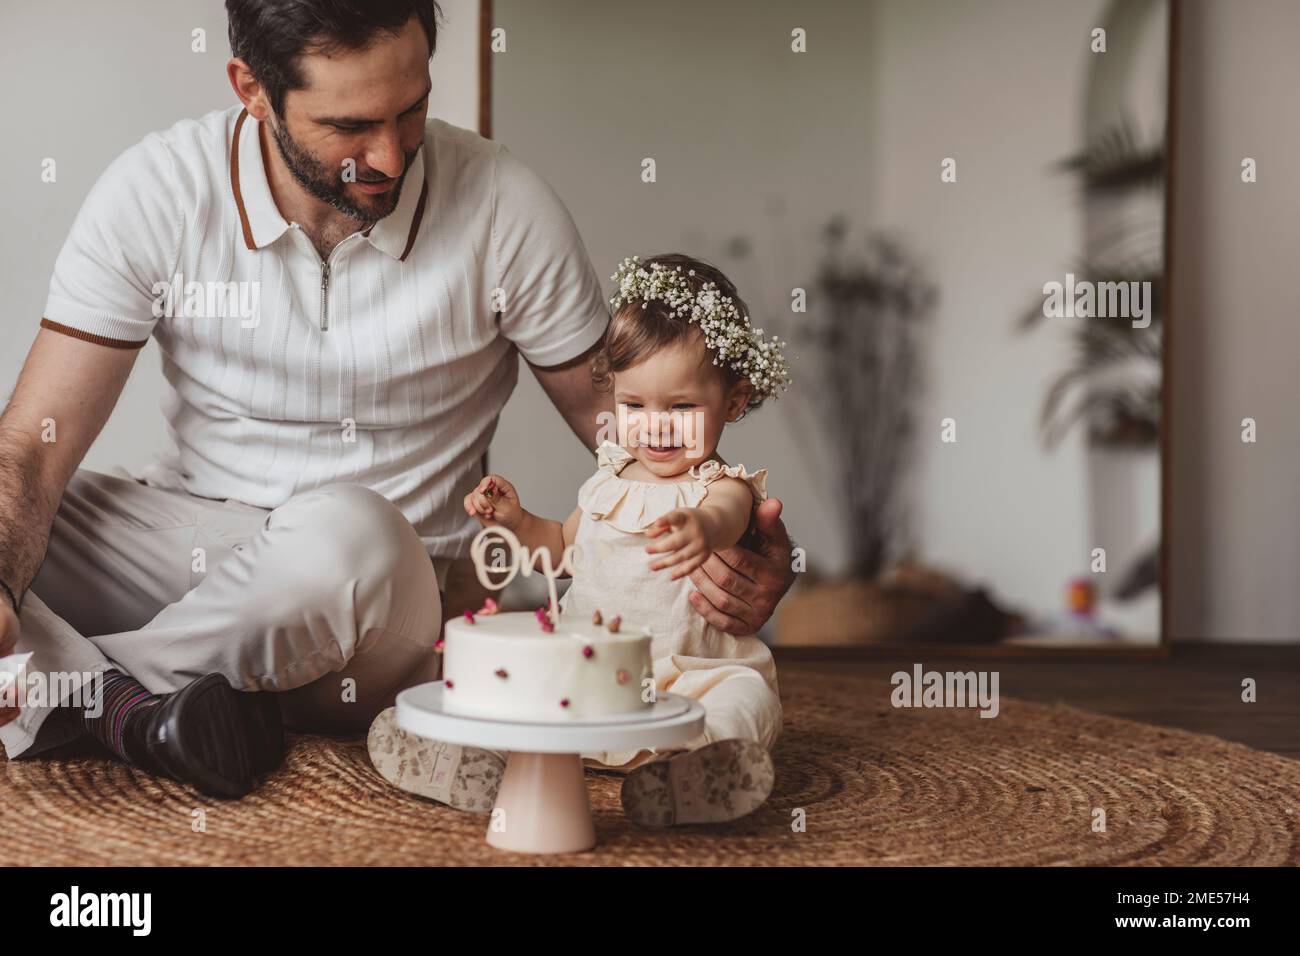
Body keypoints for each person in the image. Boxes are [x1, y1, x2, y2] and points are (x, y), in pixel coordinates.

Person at [0, 0, 794, 800]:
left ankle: (66, 689)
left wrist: (740, 541)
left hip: (383, 593)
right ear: (251, 88)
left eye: (411, 108)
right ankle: (132, 708)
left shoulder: (503, 206)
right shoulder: (156, 189)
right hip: (194, 560)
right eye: (349, 125)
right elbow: (32, 450)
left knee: (351, 533)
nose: (388, 153)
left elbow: (637, 438)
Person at [367, 254, 790, 826]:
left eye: (682, 407)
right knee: (518, 693)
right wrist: (516, 522)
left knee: (746, 701)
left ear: (733, 402)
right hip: (588, 677)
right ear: (612, 395)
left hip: (690, 676)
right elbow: (562, 552)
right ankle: (464, 760)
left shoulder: (721, 486)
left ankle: (698, 768)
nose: (655, 424)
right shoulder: (607, 481)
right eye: (634, 405)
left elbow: (727, 516)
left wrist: (702, 527)